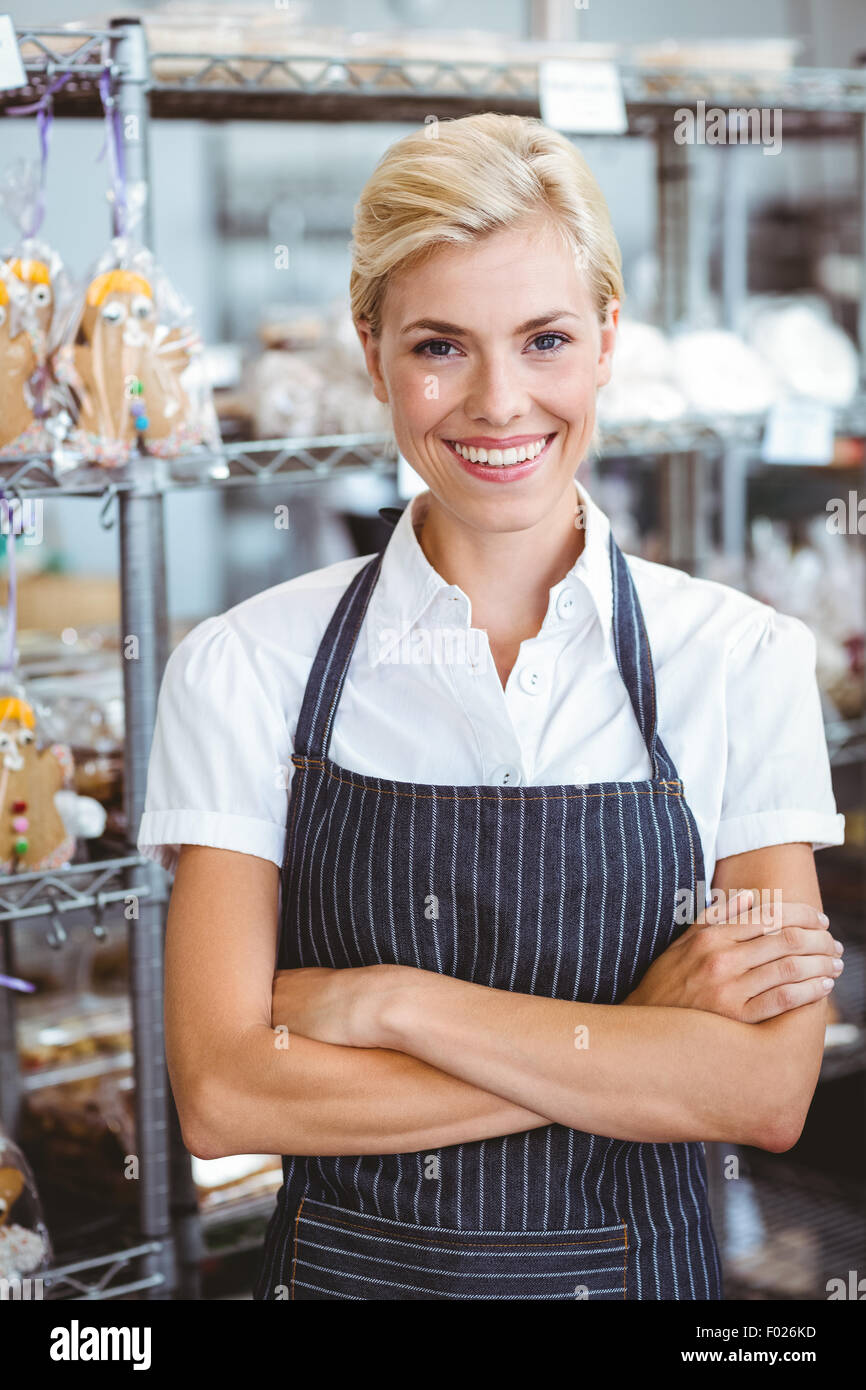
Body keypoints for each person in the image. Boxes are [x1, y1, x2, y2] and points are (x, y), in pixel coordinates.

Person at [138, 113, 846, 1301]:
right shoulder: (241, 666)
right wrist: (638, 1032)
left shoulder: (740, 659)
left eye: (544, 339)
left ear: (608, 339)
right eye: (438, 346)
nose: (498, 401)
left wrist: (386, 1003)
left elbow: (760, 1092)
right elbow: (224, 1096)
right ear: (371, 352)